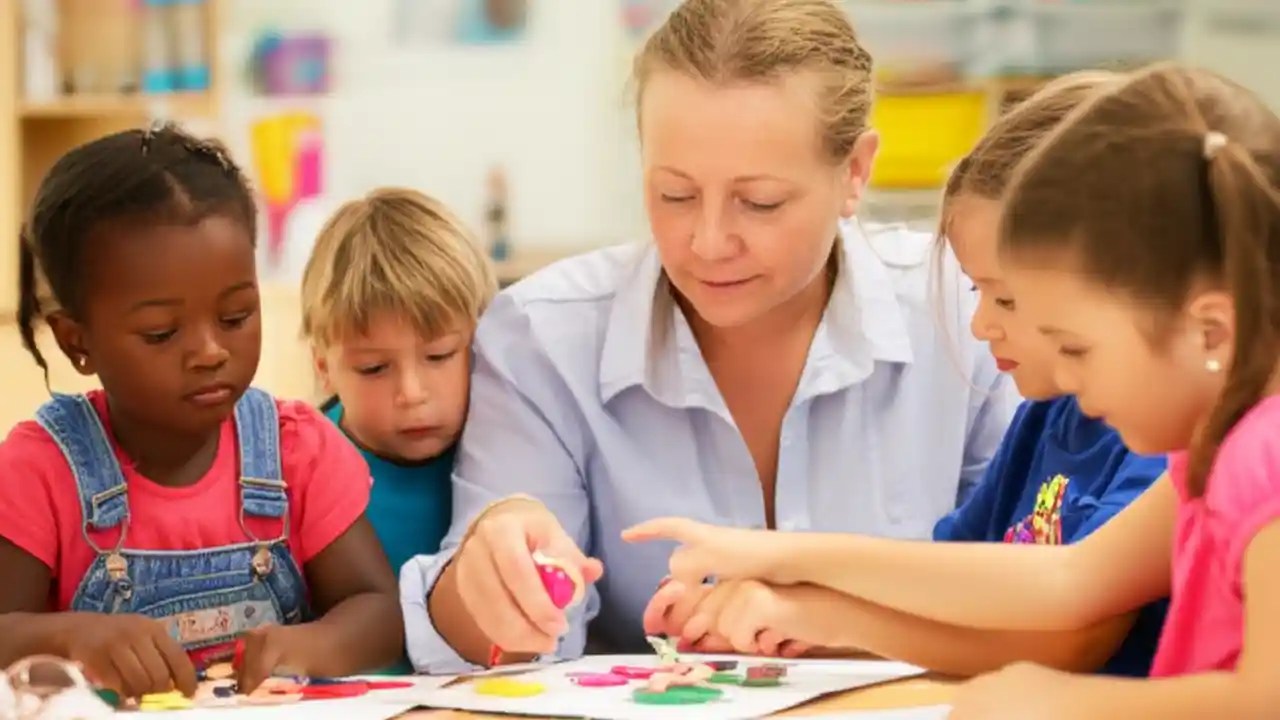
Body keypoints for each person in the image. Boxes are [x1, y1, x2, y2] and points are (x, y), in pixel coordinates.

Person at [627, 64, 1280, 718]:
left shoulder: (1262, 458)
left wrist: (1067, 704)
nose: (1070, 378)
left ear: (1212, 332)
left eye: (1076, 346)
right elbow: (1071, 580)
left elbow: (1264, 695)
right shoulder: (1208, 458)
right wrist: (785, 565)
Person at [400, 0, 1018, 674]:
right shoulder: (541, 340)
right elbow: (495, 648)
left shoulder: (969, 315)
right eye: (675, 194)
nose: (709, 242)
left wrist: (821, 620)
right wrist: (486, 583)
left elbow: (1044, 595)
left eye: (760, 202)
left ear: (855, 173)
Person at [0, 124, 403, 700]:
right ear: (75, 342)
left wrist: (310, 646)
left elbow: (380, 611)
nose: (211, 352)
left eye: (236, 317)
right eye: (162, 333)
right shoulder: (40, 470)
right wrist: (70, 638)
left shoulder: (295, 449)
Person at [301, 187, 497, 581]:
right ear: (324, 368)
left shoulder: (513, 448)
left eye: (439, 356)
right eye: (374, 368)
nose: (411, 393)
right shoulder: (298, 466)